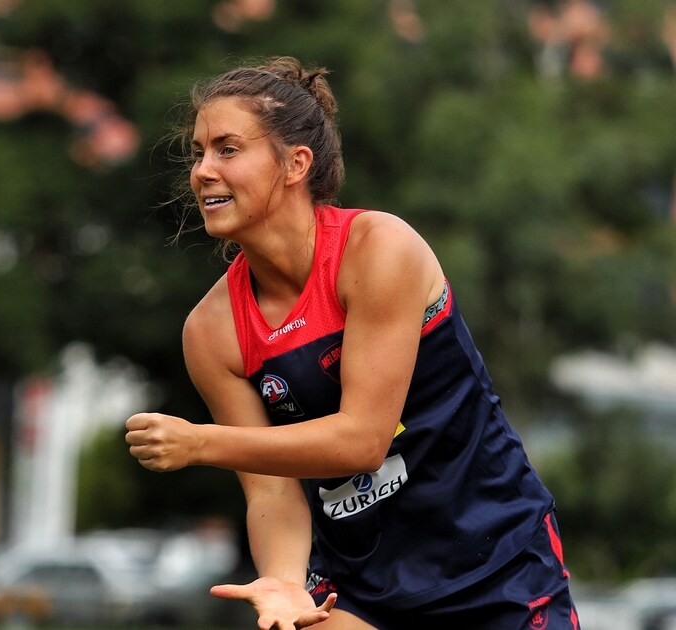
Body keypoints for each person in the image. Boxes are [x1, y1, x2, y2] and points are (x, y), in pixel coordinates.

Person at [124, 56, 579, 629]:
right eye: (198, 153)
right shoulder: (211, 332)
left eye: (228, 149)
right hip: (359, 592)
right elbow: (271, 491)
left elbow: (363, 440)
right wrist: (286, 585)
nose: (203, 170)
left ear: (296, 164)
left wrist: (201, 445)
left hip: (496, 563)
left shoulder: (378, 249)